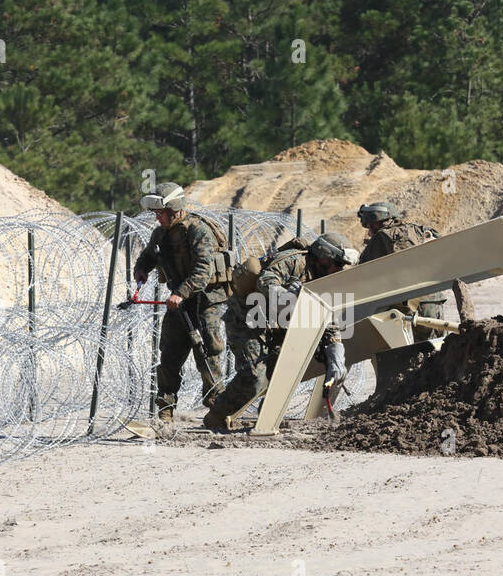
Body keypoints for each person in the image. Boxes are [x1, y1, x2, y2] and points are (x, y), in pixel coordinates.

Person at [202, 231, 353, 431]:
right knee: (255, 377)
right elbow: (265, 282)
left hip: (278, 324)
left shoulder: (325, 278)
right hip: (247, 319)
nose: (340, 269)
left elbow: (329, 319)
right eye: (338, 263)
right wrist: (290, 295)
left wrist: (336, 355)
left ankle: (268, 417)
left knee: (283, 371)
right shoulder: (294, 261)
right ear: (325, 256)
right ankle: (217, 415)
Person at [133, 182, 233, 422]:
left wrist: (181, 293)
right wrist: (141, 269)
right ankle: (165, 411)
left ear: (175, 210)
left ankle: (218, 409)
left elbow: (202, 271)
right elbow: (149, 255)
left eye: (161, 213)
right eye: (156, 213)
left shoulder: (197, 230)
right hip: (178, 303)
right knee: (169, 355)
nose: (157, 218)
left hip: (205, 300)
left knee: (206, 353)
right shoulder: (161, 233)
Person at [356, 201, 474, 337]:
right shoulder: (419, 229)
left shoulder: (382, 237)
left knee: (413, 350)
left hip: (408, 303)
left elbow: (363, 271)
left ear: (381, 220)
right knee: (436, 344)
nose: (370, 231)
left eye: (372, 225)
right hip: (434, 297)